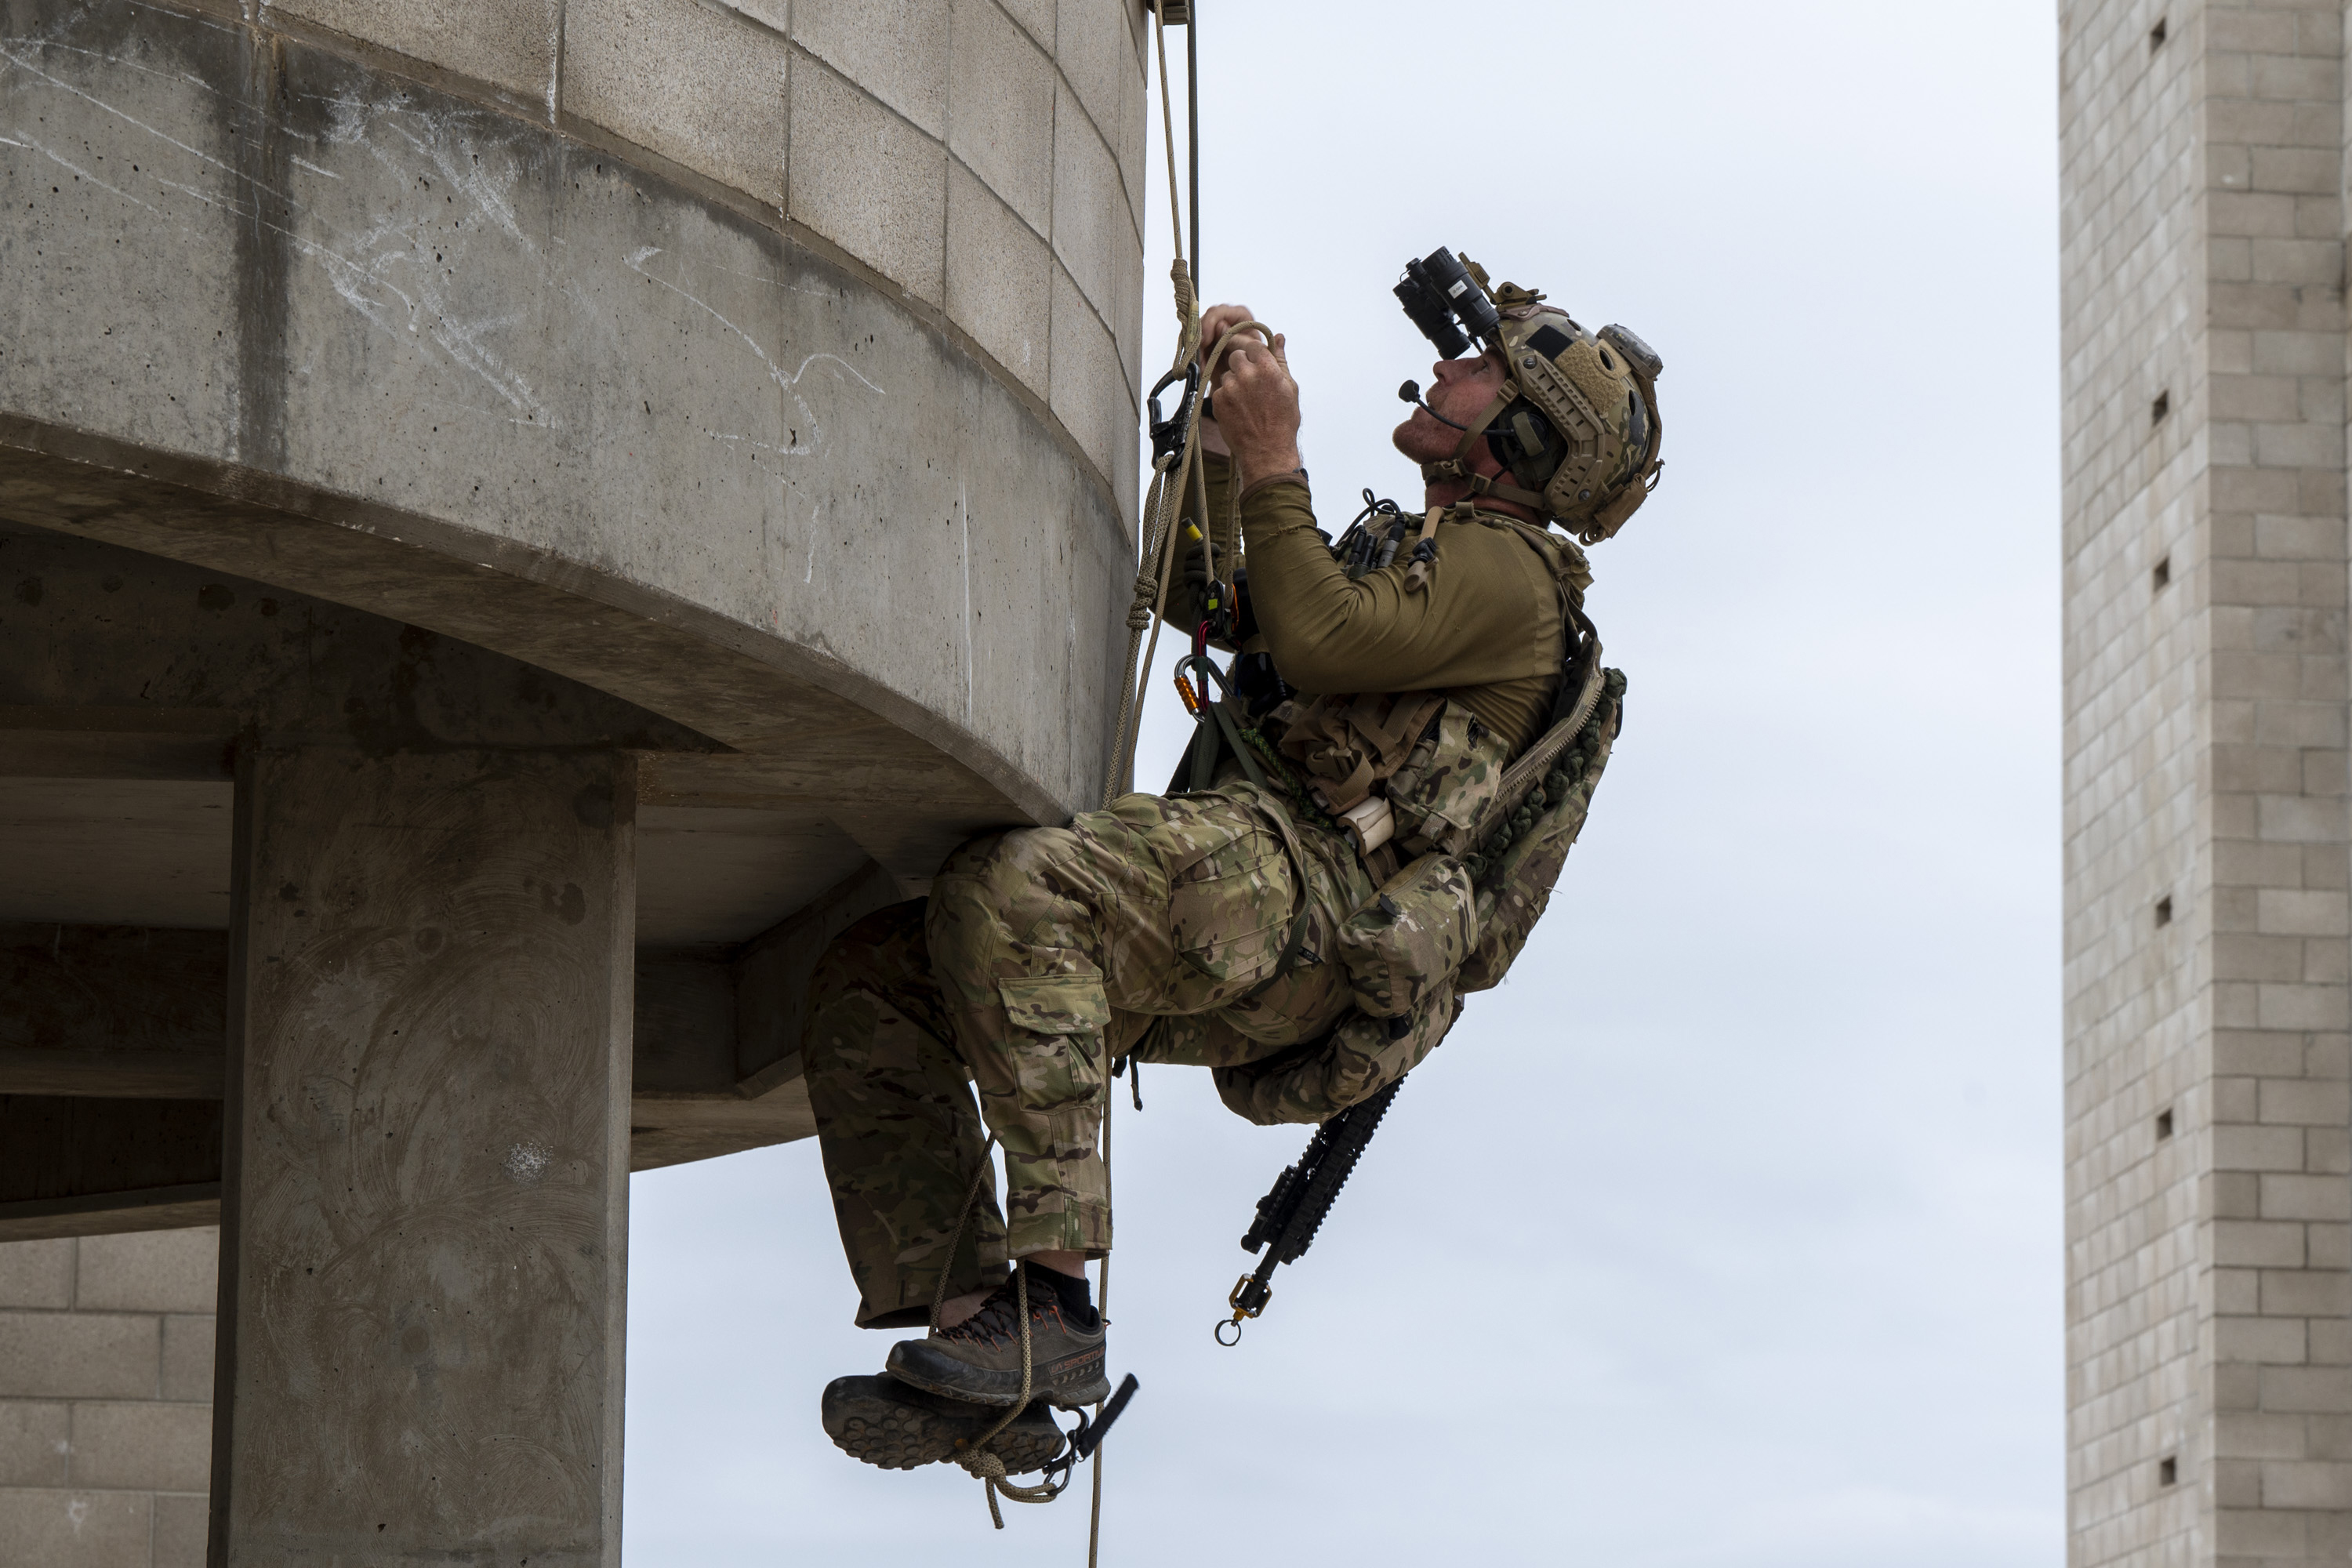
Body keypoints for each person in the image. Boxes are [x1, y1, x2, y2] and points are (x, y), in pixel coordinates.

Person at [808, 256, 1664, 1474]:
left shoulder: (1508, 575)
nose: (1447, 367)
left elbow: (1314, 641)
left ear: (1519, 438)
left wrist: (1273, 450)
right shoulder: (1417, 546)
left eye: (1482, 370)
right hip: (1259, 887)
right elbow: (1202, 590)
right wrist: (1220, 435)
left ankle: (1050, 1307)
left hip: (1313, 895)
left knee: (1020, 889)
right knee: (876, 980)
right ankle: (971, 1341)